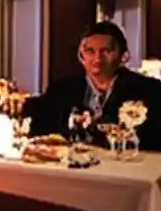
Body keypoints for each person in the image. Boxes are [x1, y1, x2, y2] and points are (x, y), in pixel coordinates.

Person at [22, 21, 161, 150]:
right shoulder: (61, 89)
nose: (97, 58)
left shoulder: (149, 90)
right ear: (81, 55)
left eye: (106, 51)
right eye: (90, 51)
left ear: (122, 55)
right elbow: (39, 127)